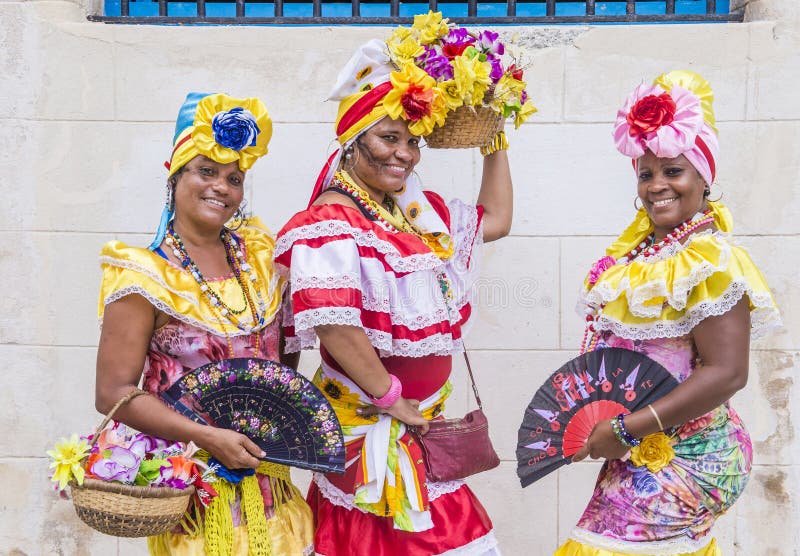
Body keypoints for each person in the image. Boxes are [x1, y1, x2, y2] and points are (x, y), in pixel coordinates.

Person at [273, 39, 513, 555]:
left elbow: (495, 220)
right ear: (352, 140)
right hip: (375, 428)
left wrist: (494, 139)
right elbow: (334, 322)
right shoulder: (332, 220)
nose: (405, 153)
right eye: (389, 138)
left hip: (417, 425)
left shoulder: (411, 213)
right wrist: (390, 398)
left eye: (412, 141)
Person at [561, 71, 782, 555]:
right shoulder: (642, 257)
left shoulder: (709, 259)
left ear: (704, 177)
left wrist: (623, 429)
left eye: (674, 171)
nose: (657, 185)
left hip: (693, 454)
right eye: (646, 174)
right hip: (642, 446)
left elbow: (727, 373)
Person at [94, 92, 314, 556]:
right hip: (195, 502)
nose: (222, 187)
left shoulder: (261, 259)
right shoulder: (143, 277)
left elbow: (282, 362)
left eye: (234, 178)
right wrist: (208, 436)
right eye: (206, 171)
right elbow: (112, 393)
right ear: (175, 175)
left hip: (274, 492)